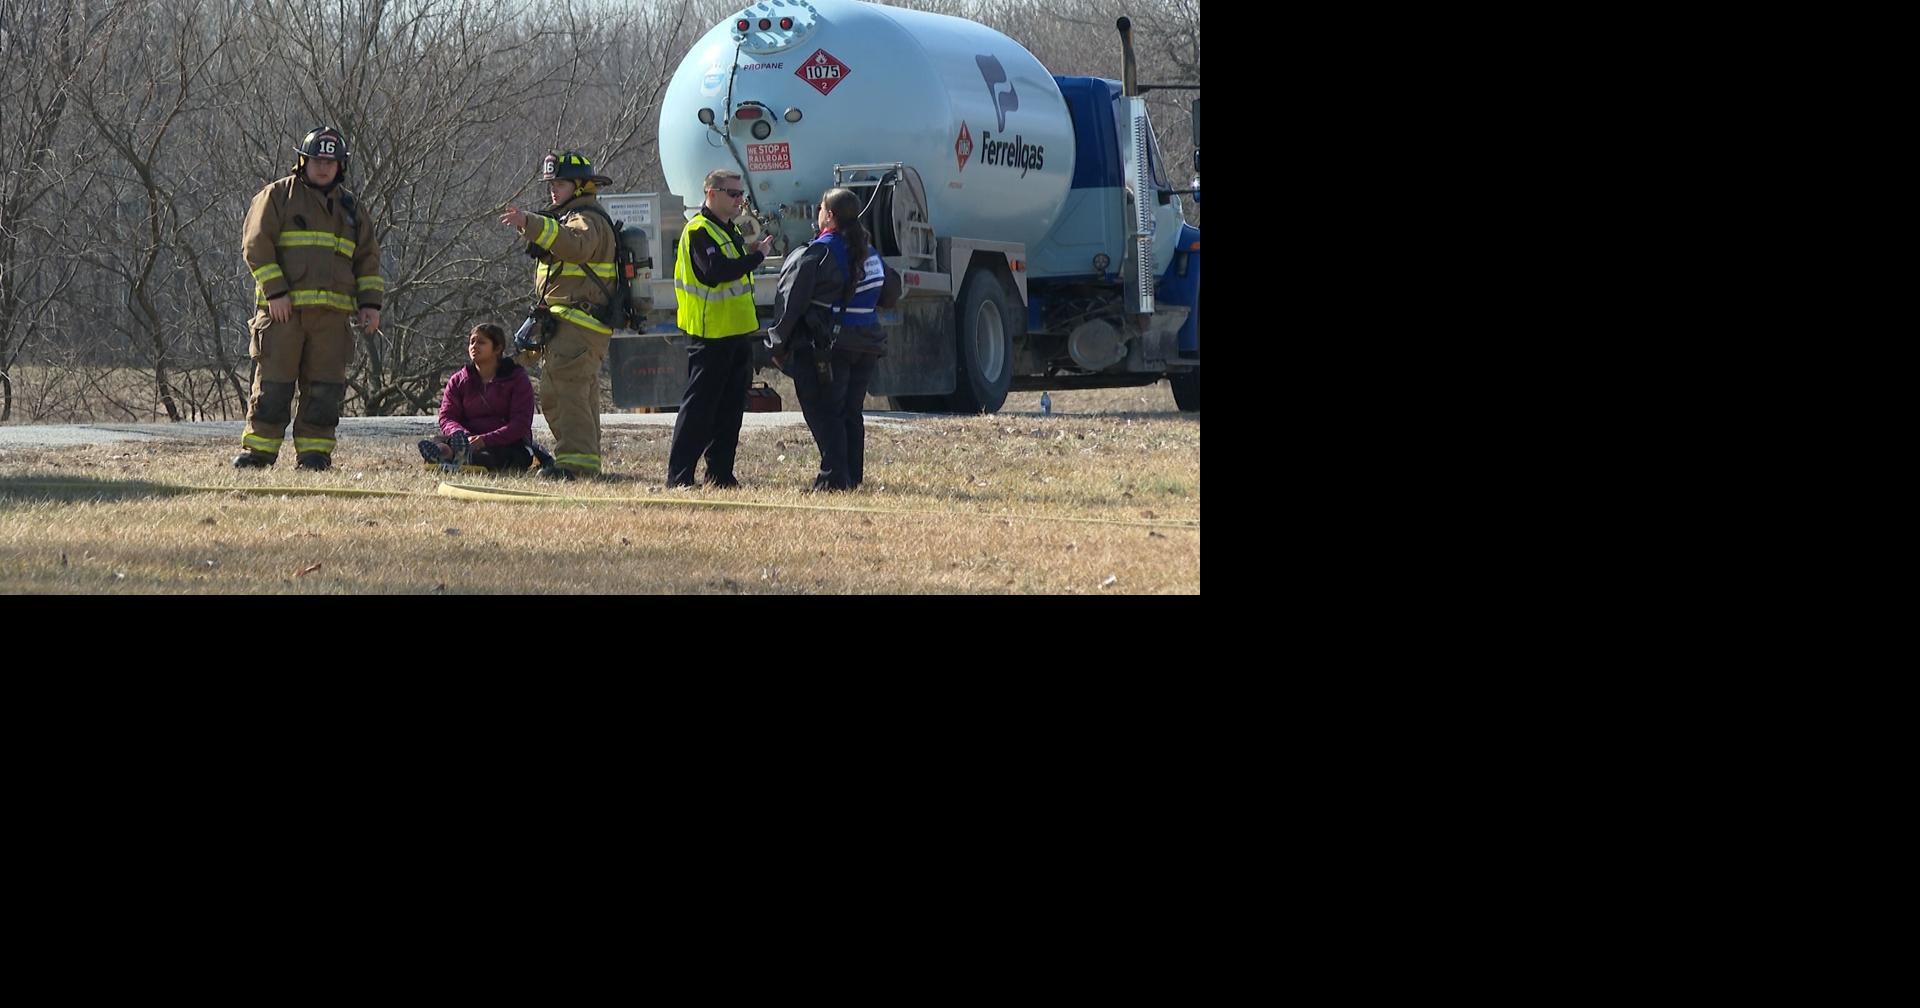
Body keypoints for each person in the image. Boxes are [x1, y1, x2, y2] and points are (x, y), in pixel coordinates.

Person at [235, 126, 383, 471]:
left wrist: (371, 304)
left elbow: (368, 260)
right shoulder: (276, 198)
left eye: (331, 162)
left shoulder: (352, 210)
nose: (323, 167)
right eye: (317, 159)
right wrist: (276, 293)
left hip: (332, 320)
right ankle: (259, 453)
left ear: (341, 166)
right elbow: (255, 247)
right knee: (273, 387)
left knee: (325, 391)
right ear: (302, 161)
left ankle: (315, 455)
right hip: (283, 316)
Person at [765, 188, 901, 491]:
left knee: (826, 412)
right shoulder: (871, 254)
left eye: (820, 208)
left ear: (829, 215)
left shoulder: (819, 252)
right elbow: (891, 295)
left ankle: (834, 478)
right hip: (866, 344)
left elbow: (792, 303)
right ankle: (851, 475)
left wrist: (777, 344)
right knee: (850, 411)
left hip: (828, 348)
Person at [499, 151, 616, 481]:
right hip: (573, 324)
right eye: (551, 184)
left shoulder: (586, 219)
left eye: (560, 183)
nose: (553, 190)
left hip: (577, 324)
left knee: (563, 392)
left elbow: (575, 246)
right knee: (578, 393)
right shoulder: (575, 216)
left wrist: (530, 223)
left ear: (580, 187)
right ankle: (585, 463)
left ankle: (575, 466)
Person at [666, 168, 774, 488]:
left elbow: (733, 270)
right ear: (711, 194)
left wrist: (751, 253)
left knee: (731, 410)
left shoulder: (729, 229)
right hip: (709, 335)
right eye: (732, 194)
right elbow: (715, 271)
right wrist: (757, 259)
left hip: (737, 332)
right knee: (699, 409)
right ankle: (680, 476)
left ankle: (720, 474)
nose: (739, 200)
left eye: (741, 194)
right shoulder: (698, 230)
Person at [418, 323, 537, 472]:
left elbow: (520, 424)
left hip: (507, 443)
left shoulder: (516, 378)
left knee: (487, 458)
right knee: (441, 442)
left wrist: (484, 440)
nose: (474, 346)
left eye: (481, 342)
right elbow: (447, 416)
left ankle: (461, 458)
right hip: (465, 439)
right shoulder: (458, 380)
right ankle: (445, 453)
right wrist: (459, 434)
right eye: (472, 342)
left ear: (498, 348)